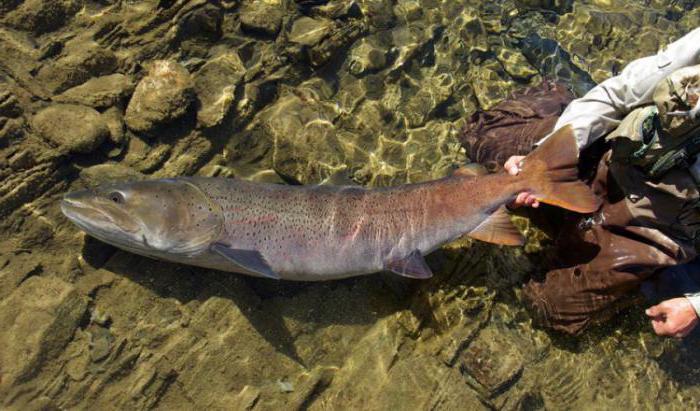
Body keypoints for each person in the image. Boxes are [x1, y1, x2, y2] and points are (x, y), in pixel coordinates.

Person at [496, 27, 700, 337]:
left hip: (663, 225)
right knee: (487, 140)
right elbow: (618, 95)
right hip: (617, 159)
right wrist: (543, 159)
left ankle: (651, 278)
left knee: (548, 310)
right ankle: (555, 105)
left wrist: (695, 306)